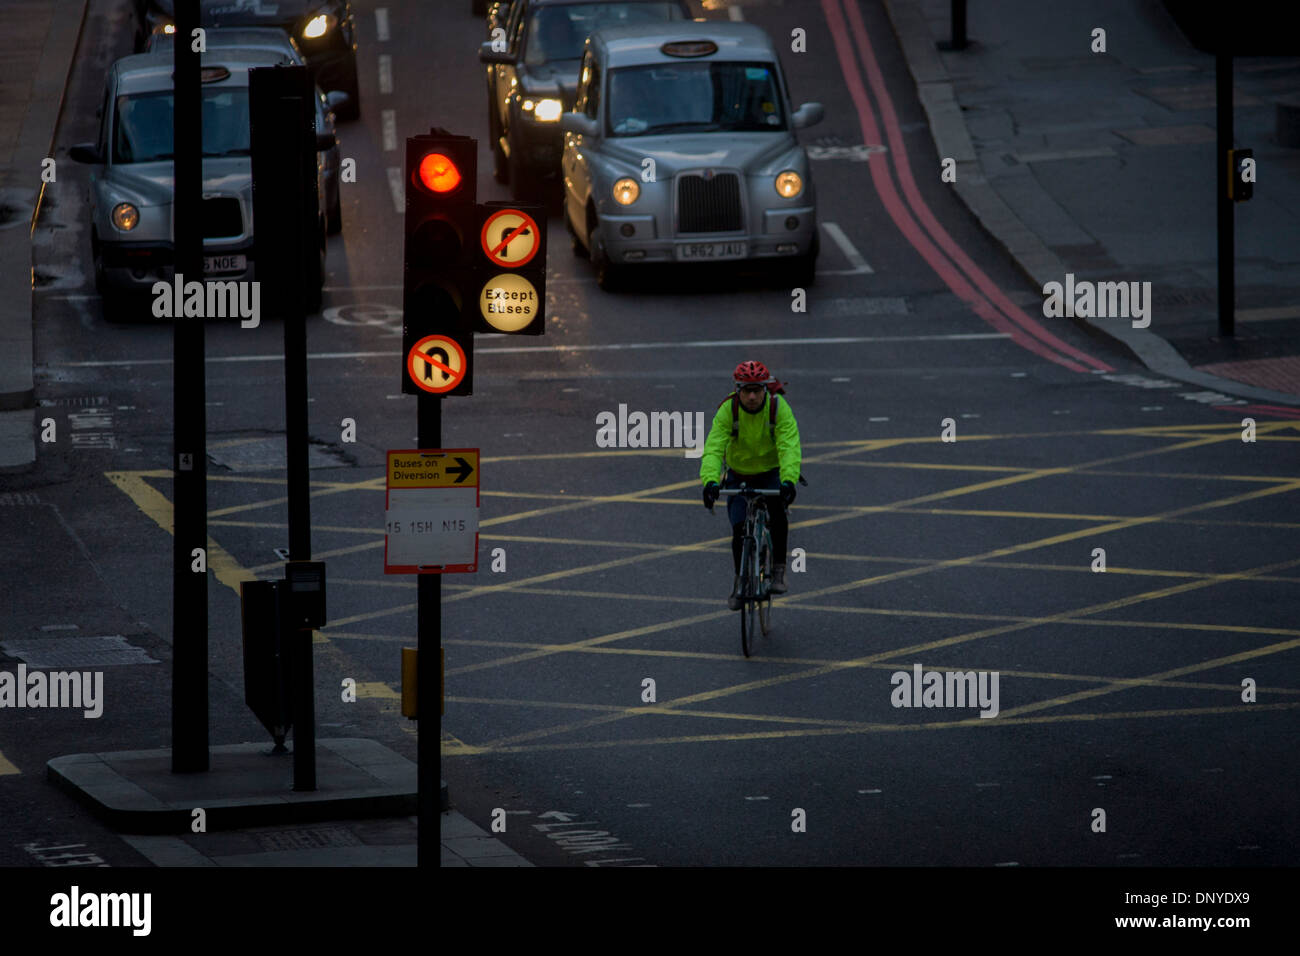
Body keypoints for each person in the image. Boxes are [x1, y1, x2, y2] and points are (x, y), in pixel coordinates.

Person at [700, 361, 803, 609]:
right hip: (739, 473)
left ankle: (778, 570)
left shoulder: (778, 408)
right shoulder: (728, 410)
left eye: (757, 390)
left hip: (771, 472)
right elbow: (714, 448)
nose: (753, 396)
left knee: (778, 513)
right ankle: (740, 582)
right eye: (747, 391)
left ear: (766, 389)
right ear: (738, 390)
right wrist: (710, 482)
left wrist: (788, 480)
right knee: (738, 530)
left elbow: (789, 446)